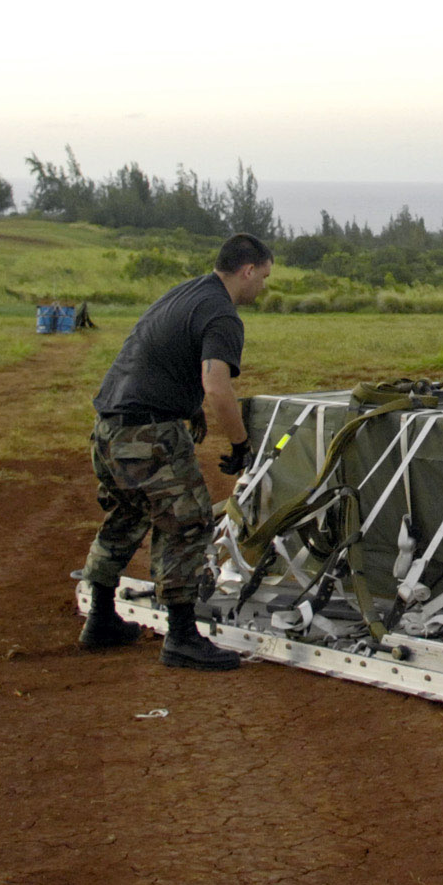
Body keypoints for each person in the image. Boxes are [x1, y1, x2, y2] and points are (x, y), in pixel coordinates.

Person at [76, 232, 269, 669]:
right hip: (148, 435)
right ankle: (182, 636)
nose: (263, 287)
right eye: (264, 277)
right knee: (188, 522)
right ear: (248, 270)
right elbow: (218, 388)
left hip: (109, 427)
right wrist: (240, 444)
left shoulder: (187, 293)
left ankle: (100, 617)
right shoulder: (223, 315)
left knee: (128, 514)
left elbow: (158, 352)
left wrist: (186, 408)